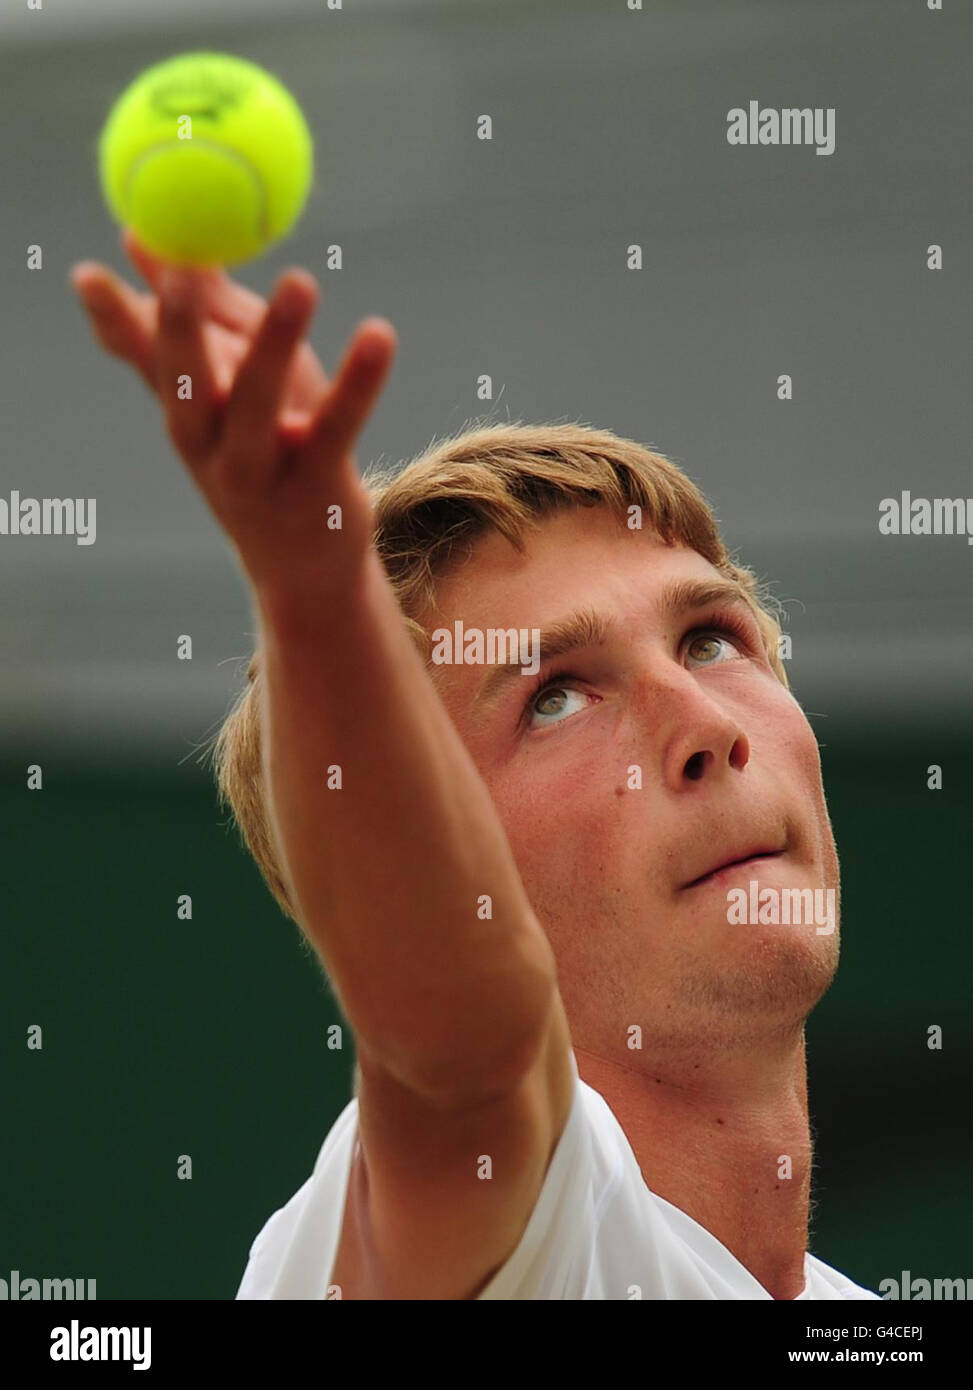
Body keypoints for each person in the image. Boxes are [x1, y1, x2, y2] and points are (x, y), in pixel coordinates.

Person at [71, 234, 879, 1301]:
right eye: (554, 697)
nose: (702, 724)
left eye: (711, 639)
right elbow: (466, 1058)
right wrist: (315, 589)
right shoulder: (505, 1236)